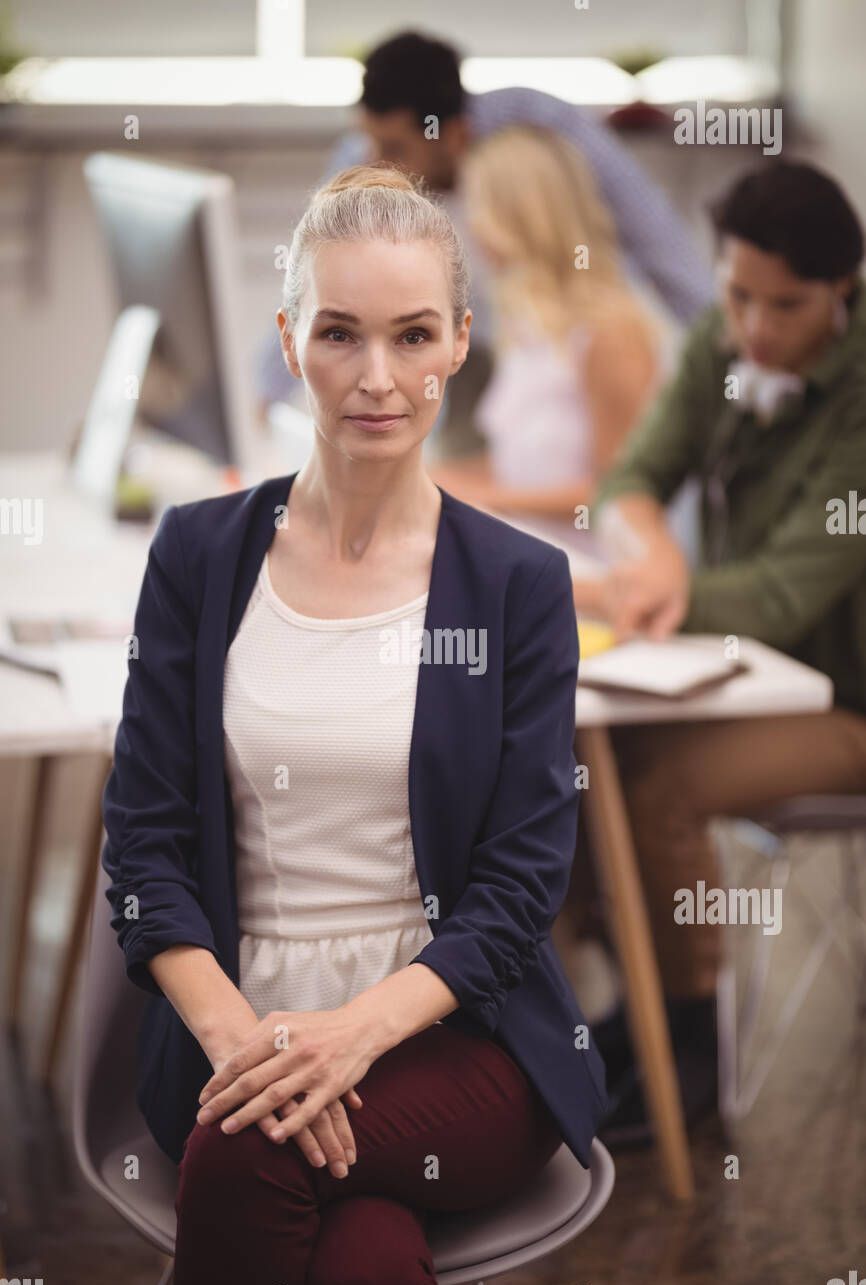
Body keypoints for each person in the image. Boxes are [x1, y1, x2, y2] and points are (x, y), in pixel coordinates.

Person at [100, 164, 607, 1285]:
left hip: (456, 1041)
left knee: (246, 1147)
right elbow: (142, 846)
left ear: (458, 344)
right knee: (364, 1258)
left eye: (412, 335)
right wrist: (245, 1042)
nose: (376, 379)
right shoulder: (197, 555)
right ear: (288, 340)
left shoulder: (518, 584)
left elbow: (520, 892)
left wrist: (347, 1041)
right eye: (339, 334)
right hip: (237, 1022)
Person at [569, 160, 866, 1149]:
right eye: (737, 293)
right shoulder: (721, 335)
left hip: (845, 703)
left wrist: (657, 590)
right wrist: (642, 540)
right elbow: (631, 476)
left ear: (842, 290)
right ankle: (627, 1016)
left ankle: (688, 1050)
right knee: (574, 757)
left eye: (784, 307)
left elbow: (785, 594)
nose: (752, 327)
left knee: (654, 781)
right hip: (741, 677)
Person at [254, 29, 713, 454]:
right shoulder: (366, 158)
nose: (378, 166)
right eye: (370, 143)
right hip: (477, 341)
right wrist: (262, 400)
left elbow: (654, 237)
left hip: (558, 329)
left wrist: (728, 351)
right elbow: (311, 279)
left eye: (394, 147)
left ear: (452, 136)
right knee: (463, 471)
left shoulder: (535, 132)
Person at [428, 123, 661, 553]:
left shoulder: (612, 333)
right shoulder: (528, 328)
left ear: (519, 217)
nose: (471, 226)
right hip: (524, 557)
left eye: (479, 206)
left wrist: (472, 499)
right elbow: (518, 470)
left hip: (586, 579)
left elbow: (618, 496)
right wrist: (423, 481)